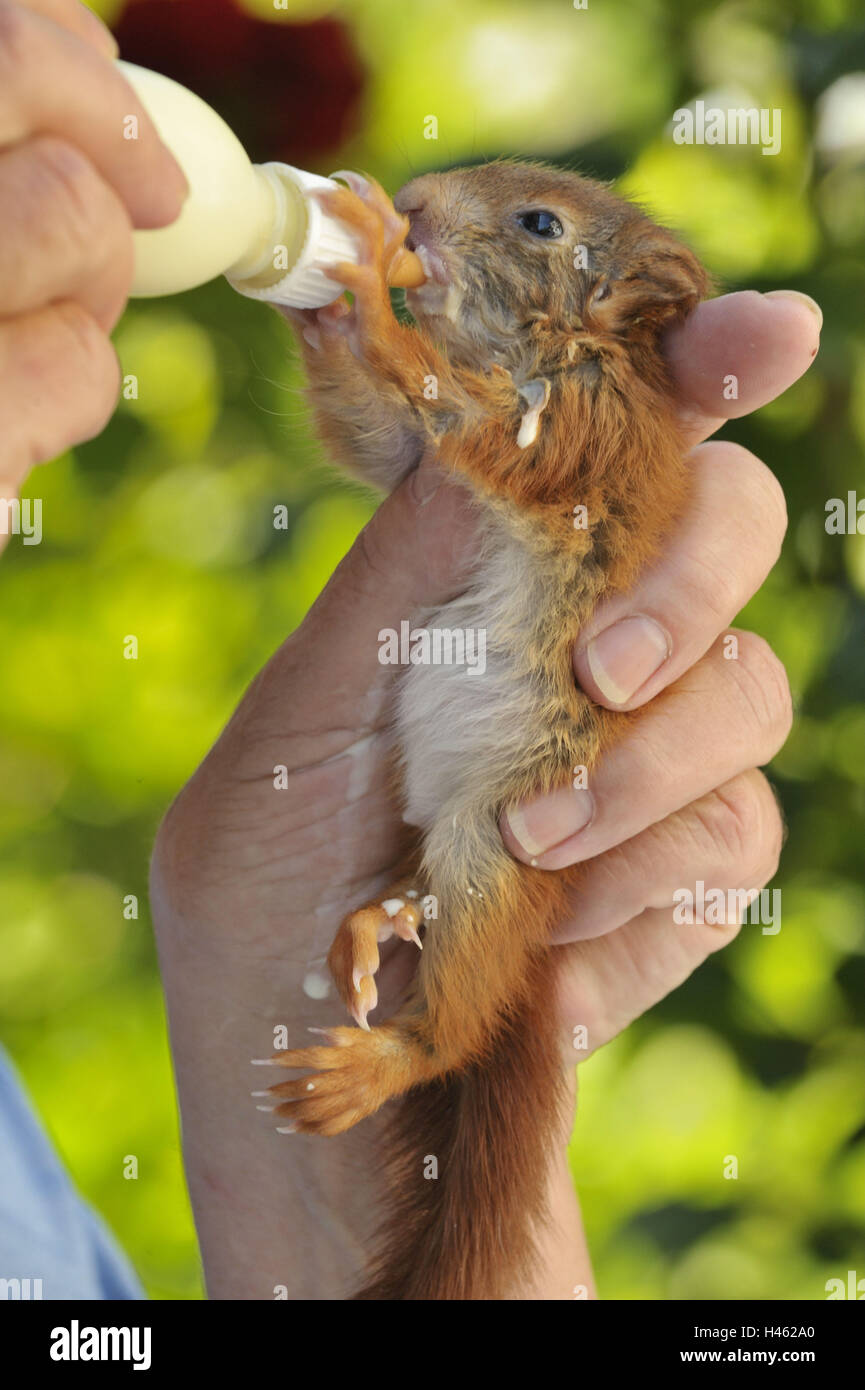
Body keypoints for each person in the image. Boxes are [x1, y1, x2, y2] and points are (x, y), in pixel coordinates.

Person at [0, 0, 818, 1299]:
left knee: (484, 865)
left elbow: (500, 462)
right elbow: (404, 451)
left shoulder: (599, 395)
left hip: (494, 742)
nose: (430, 214)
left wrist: (382, 335)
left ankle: (416, 1051)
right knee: (477, 862)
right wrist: (345, 335)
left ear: (616, 299)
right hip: (482, 719)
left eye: (530, 228)